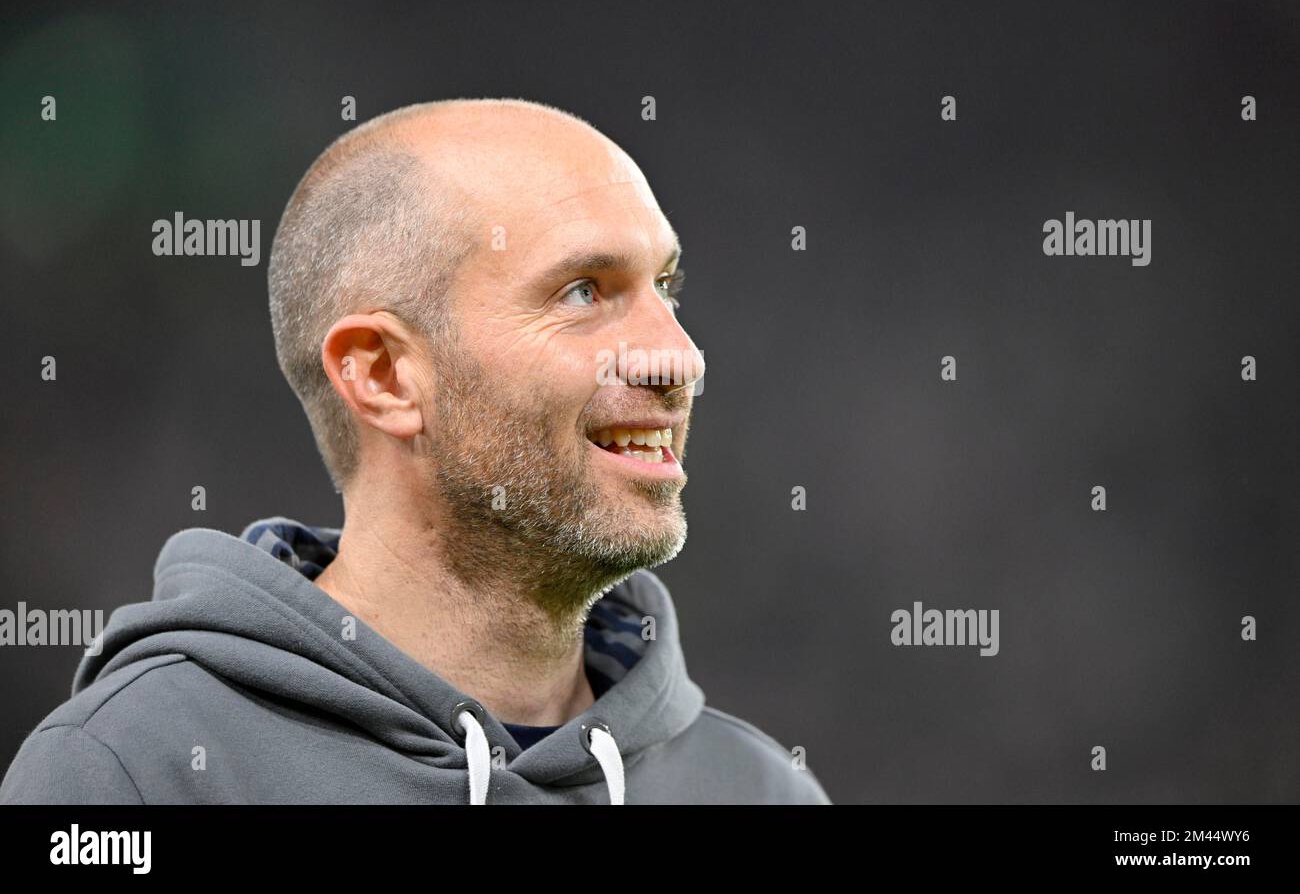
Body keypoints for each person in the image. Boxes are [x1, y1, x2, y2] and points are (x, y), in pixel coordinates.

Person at [0, 98, 830, 804]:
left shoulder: (758, 787)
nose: (680, 357)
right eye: (585, 291)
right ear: (387, 376)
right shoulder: (129, 773)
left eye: (666, 287)